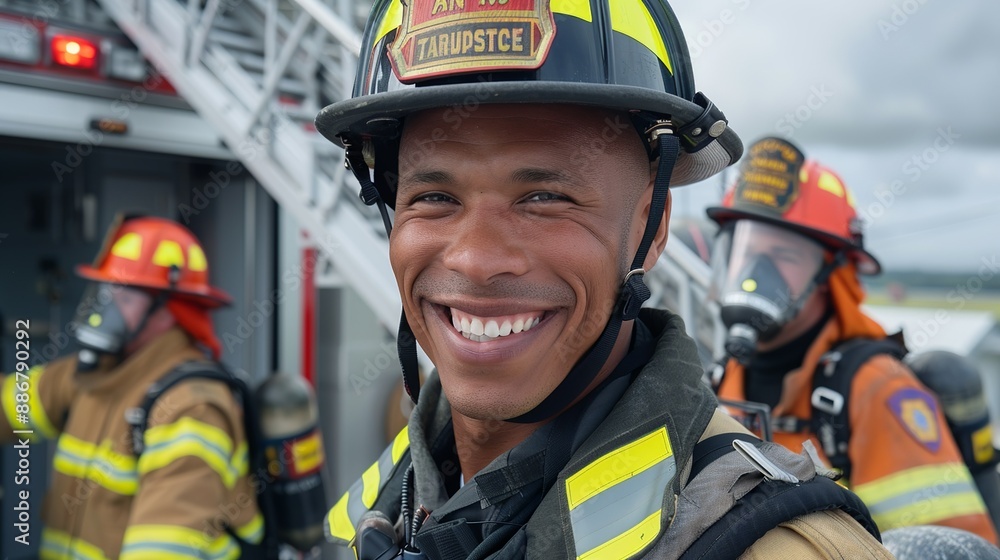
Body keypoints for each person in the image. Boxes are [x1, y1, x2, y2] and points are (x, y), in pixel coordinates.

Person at [315, 1, 892, 558]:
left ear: (652, 226)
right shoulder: (394, 508)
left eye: (545, 198)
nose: (475, 259)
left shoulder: (775, 548)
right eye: (434, 197)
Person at [707, 136, 999, 544]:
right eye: (747, 251)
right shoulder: (723, 378)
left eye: (784, 256)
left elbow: (946, 548)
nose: (756, 273)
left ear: (832, 277)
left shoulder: (875, 389)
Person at [1, 216, 263, 559]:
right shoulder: (89, 373)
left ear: (170, 312)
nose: (105, 306)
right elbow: (9, 408)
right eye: (106, 290)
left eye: (124, 295)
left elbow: (162, 552)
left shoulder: (192, 408)